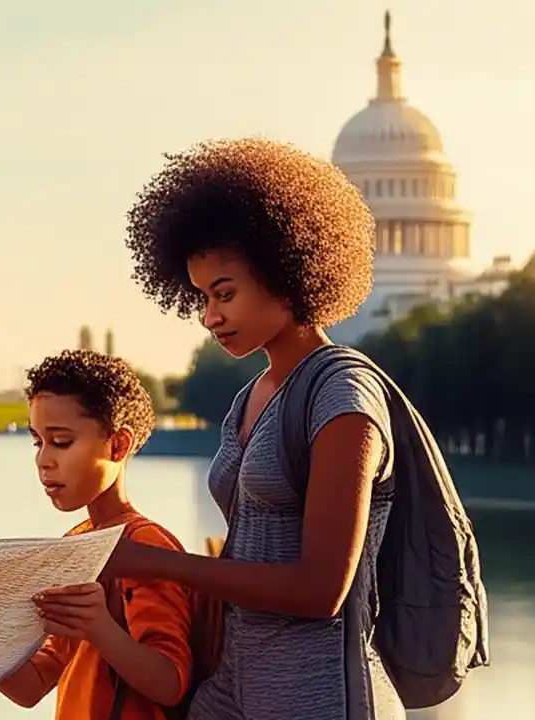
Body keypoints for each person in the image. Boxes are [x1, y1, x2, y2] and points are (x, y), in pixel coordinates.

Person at [113, 137, 402, 719]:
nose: (210, 316)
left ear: (288, 271)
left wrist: (154, 563)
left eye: (225, 293)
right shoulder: (250, 396)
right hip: (234, 681)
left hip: (318, 694)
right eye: (200, 298)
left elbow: (322, 591)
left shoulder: (342, 395)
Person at [0, 350, 194, 719]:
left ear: (117, 445)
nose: (43, 460)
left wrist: (99, 627)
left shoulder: (145, 547)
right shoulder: (76, 544)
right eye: (37, 441)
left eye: (61, 442)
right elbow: (32, 685)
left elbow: (170, 682)